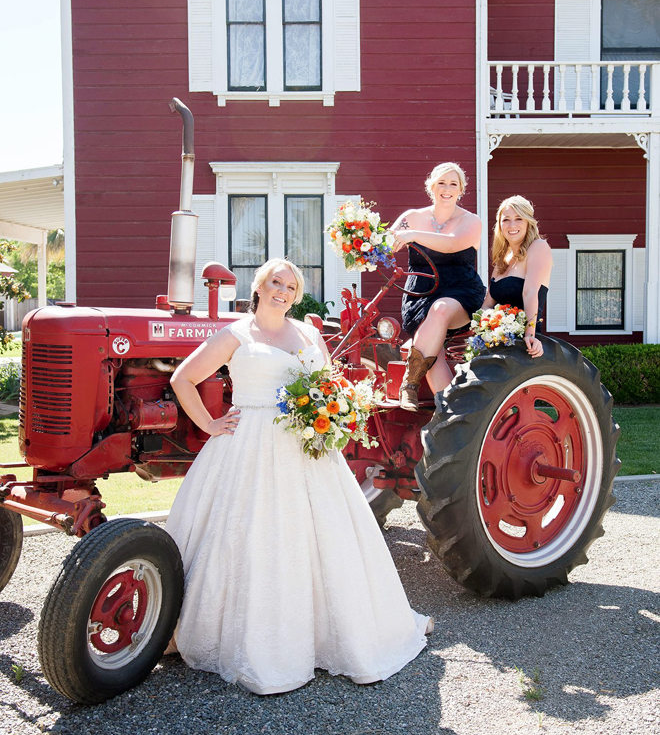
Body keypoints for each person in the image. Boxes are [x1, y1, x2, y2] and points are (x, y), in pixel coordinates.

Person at [164, 257, 431, 694]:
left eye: (290, 285)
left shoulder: (307, 333)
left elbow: (327, 383)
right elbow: (183, 379)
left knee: (321, 538)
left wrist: (333, 412)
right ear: (259, 286)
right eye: (275, 282)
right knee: (249, 536)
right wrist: (210, 424)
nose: (282, 291)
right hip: (248, 444)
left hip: (306, 448)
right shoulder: (237, 334)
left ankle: (335, 634)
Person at [391, 163, 485, 409]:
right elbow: (386, 244)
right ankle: (450, 416)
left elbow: (452, 244)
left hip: (460, 292)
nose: (447, 188)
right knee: (434, 355)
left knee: (441, 309)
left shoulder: (471, 221)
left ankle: (408, 385)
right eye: (441, 183)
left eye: (453, 184)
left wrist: (413, 235)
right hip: (420, 295)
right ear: (431, 186)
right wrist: (358, 239)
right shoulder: (411, 218)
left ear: (461, 190)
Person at [482, 195, 552, 357]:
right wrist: (490, 323)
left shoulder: (538, 247)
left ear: (528, 222)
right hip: (496, 341)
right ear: (499, 225)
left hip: (524, 344)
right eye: (506, 220)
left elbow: (530, 291)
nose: (512, 225)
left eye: (518, 218)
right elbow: (487, 305)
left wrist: (530, 334)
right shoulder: (502, 260)